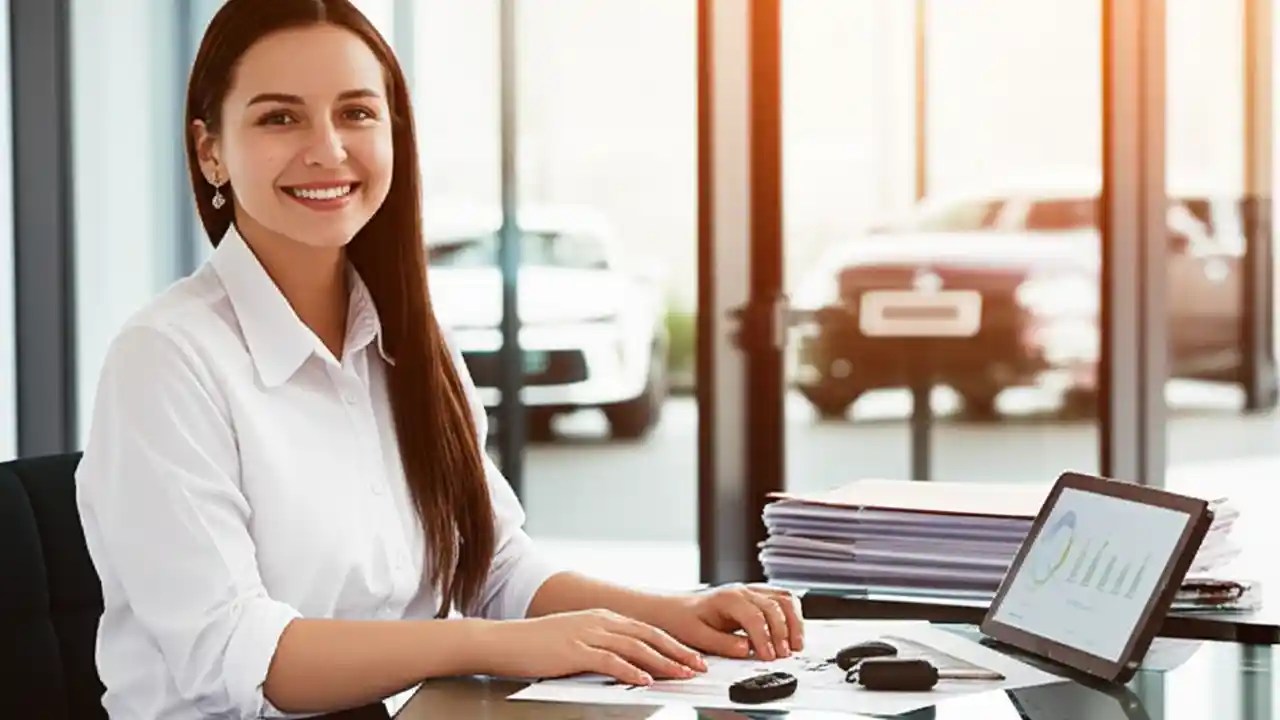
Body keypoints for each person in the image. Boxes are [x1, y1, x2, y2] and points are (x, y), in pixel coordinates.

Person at [74, 1, 804, 717]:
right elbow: (236, 656)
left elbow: (493, 567)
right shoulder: (166, 361)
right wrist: (483, 646)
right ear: (210, 150)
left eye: (356, 112)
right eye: (279, 117)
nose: (327, 148)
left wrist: (677, 612)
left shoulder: (411, 341)